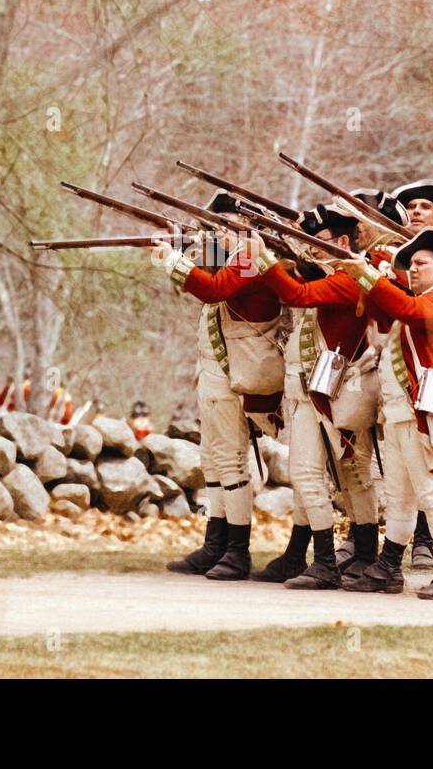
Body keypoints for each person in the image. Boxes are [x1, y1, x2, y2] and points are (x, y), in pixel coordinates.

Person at [250, 205, 386, 589]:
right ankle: (353, 558)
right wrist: (287, 241)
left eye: (321, 243)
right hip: (322, 390)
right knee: (337, 477)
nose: (315, 250)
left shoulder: (347, 278)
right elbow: (302, 273)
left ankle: (338, 560)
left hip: (334, 392)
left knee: (332, 475)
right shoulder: (337, 273)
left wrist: (260, 253)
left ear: (344, 242)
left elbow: (294, 292)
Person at [150, 192, 284, 581]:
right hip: (214, 375)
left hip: (235, 375)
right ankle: (216, 545)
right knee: (213, 459)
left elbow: (213, 288)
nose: (219, 235)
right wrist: (177, 242)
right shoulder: (231, 259)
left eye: (227, 227)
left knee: (230, 460)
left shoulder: (251, 261)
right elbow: (206, 276)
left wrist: (170, 257)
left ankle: (236, 551)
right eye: (215, 227)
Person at [335, 227, 433, 599]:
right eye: (410, 264)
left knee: (431, 494)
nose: (413, 270)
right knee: (398, 497)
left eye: (422, 264)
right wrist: (368, 274)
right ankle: (389, 567)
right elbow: (385, 311)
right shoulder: (420, 298)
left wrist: (366, 273)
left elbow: (406, 308)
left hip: (421, 413)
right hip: (396, 414)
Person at [390, 178, 433, 571]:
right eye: (410, 207)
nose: (415, 212)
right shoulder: (401, 260)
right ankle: (388, 558)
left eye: (424, 208)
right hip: (396, 384)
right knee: (398, 480)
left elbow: (411, 308)